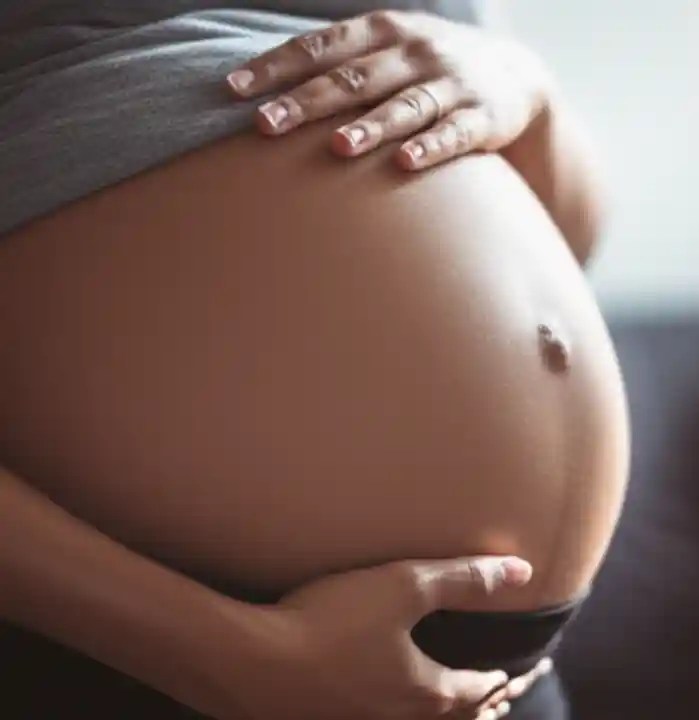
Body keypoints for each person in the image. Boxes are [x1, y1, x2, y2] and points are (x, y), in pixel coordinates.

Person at [0, 2, 629, 718]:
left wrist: (529, 92)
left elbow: (571, 239)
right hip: (158, 647)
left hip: (501, 675)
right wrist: (223, 654)